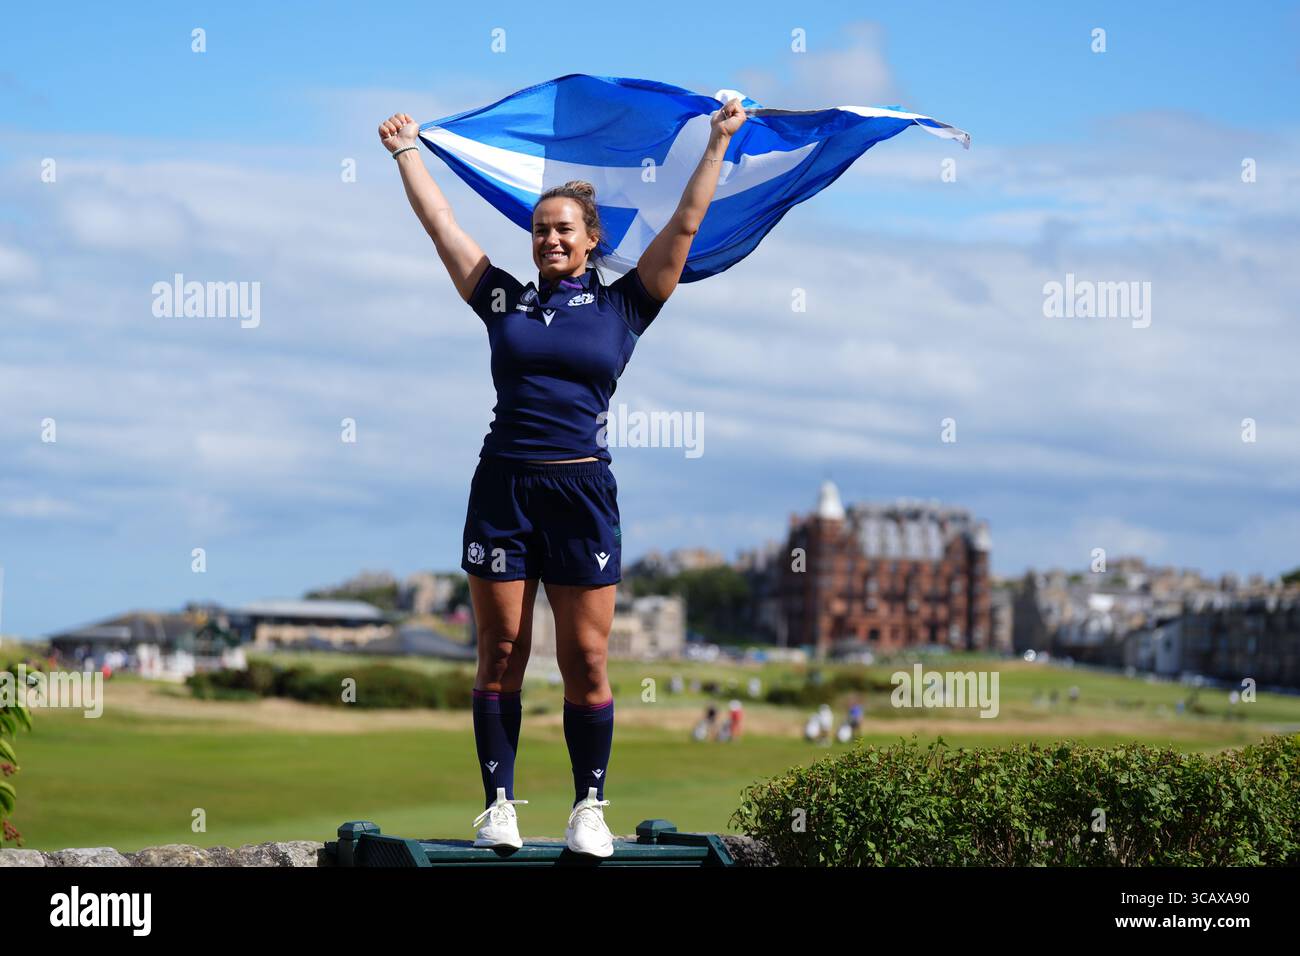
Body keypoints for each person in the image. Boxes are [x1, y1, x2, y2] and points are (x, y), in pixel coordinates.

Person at [379, 99, 748, 858]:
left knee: (585, 660)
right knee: (502, 648)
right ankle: (500, 806)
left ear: (590, 242)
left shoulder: (624, 305)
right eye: (541, 229)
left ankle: (589, 807)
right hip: (503, 488)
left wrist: (716, 143)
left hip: (582, 493)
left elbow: (683, 226)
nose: (549, 238)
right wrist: (406, 154)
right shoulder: (501, 298)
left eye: (563, 230)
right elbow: (444, 227)